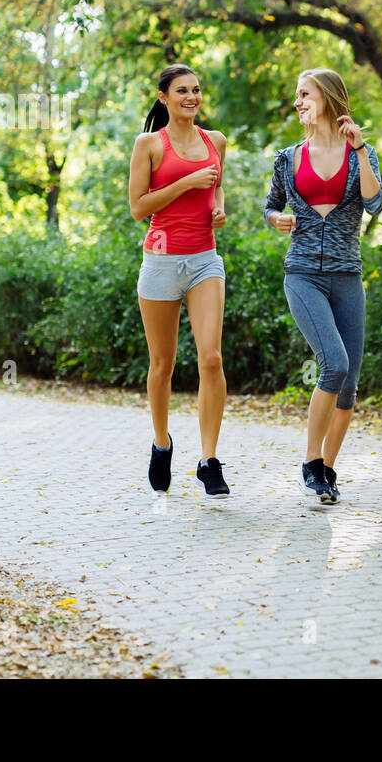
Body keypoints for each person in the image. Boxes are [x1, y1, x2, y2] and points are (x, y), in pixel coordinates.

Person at [263, 68, 382, 504]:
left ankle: (328, 472)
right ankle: (312, 463)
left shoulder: (359, 156)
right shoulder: (289, 157)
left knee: (349, 383)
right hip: (303, 275)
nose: (297, 103)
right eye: (297, 95)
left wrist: (363, 150)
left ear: (328, 99)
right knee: (333, 362)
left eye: (304, 95)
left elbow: (375, 204)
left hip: (347, 275)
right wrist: (275, 218)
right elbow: (270, 206)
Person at [128, 64, 230, 496]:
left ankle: (208, 461)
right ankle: (161, 442)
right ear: (163, 97)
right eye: (182, 90)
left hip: (205, 259)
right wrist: (187, 181)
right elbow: (138, 208)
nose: (191, 96)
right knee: (162, 366)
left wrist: (218, 206)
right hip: (162, 262)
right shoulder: (149, 144)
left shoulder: (216, 141)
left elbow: (216, 185)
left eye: (196, 90)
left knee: (211, 358)